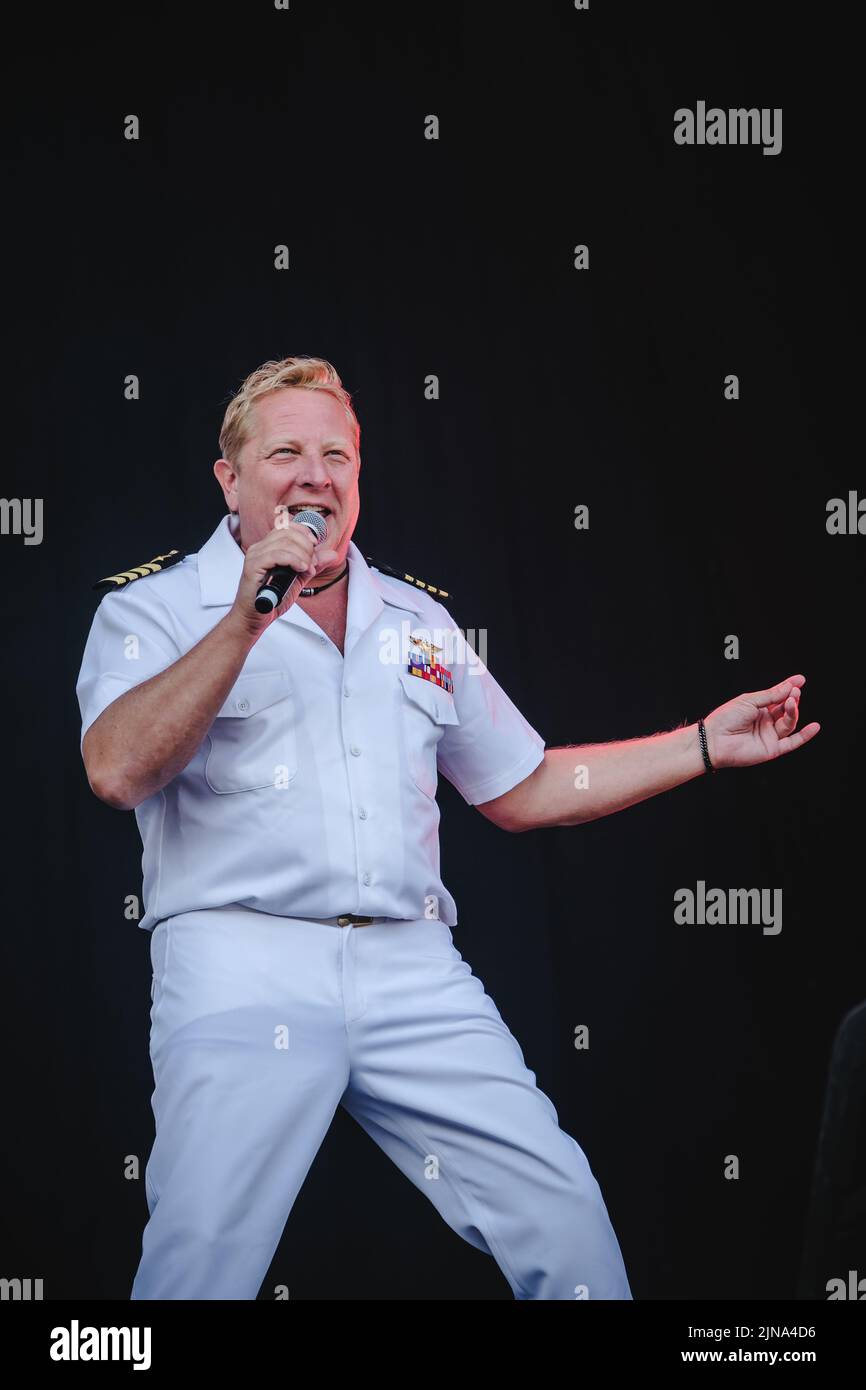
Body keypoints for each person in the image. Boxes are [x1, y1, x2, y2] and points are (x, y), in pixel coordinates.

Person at [76, 355, 820, 1301]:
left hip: (412, 968)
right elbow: (115, 768)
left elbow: (525, 786)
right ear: (229, 479)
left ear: (359, 474)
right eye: (286, 453)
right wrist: (243, 623)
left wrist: (703, 745)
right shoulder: (154, 607)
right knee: (199, 1267)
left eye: (337, 454)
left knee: (565, 1222)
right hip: (241, 960)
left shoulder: (418, 620)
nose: (315, 475)